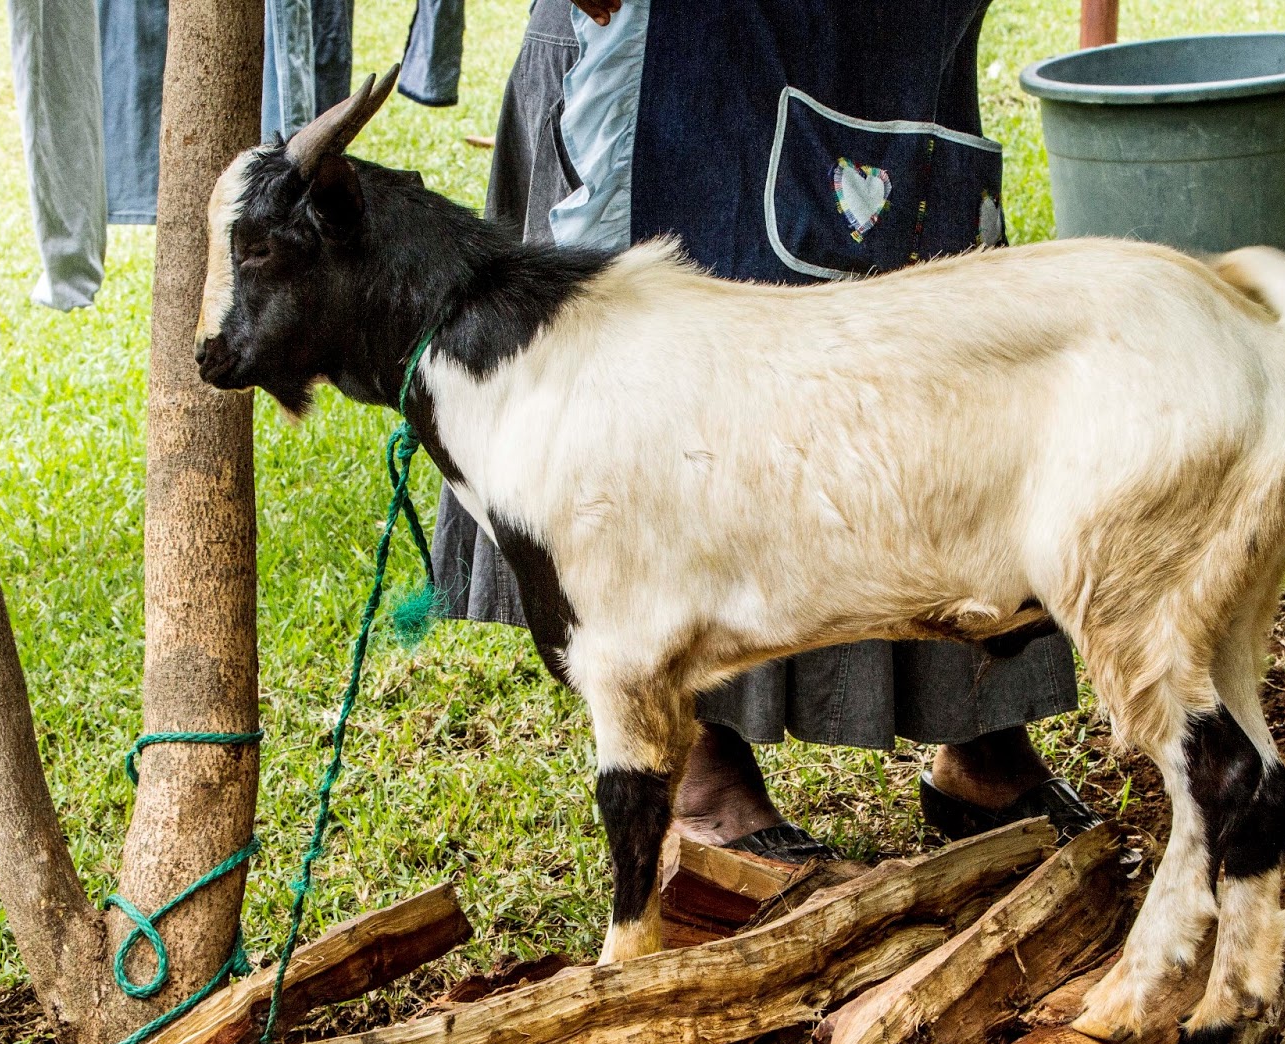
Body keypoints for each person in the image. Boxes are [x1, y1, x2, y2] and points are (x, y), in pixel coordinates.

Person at [431, 0, 1102, 861]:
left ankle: (980, 726)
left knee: (934, 360)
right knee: (685, 395)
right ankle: (697, 762)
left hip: (888, 35)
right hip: (685, 44)